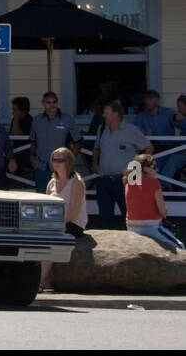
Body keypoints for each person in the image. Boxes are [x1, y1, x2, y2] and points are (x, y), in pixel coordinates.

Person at [91, 100, 151, 229]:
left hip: (126, 181)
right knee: (104, 218)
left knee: (130, 217)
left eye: (106, 113)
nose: (103, 116)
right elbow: (96, 148)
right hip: (104, 180)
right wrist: (94, 164)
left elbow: (148, 148)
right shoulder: (102, 129)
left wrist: (139, 169)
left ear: (116, 114)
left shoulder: (131, 130)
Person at [39, 147, 87, 291]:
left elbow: (75, 210)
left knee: (52, 242)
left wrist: (58, 225)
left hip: (73, 223)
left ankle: (39, 282)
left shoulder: (76, 182)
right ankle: (45, 280)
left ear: (69, 162)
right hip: (53, 223)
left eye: (61, 160)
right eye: (55, 160)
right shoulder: (51, 183)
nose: (57, 163)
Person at [124, 153, 184, 252]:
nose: (157, 169)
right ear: (146, 169)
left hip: (131, 226)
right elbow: (162, 210)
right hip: (150, 226)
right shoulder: (154, 182)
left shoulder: (129, 182)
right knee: (180, 247)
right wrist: (165, 215)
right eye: (154, 167)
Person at [135, 90, 185, 186]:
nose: (147, 101)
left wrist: (181, 119)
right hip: (149, 149)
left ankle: (159, 190)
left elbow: (183, 126)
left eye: (149, 99)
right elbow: (134, 134)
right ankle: (157, 190)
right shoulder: (141, 117)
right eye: (145, 99)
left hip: (168, 149)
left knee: (164, 162)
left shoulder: (168, 113)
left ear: (157, 101)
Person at [30, 92, 76, 192]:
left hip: (61, 168)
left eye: (54, 102)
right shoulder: (36, 120)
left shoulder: (67, 120)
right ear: (43, 103)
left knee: (60, 199)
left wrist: (70, 161)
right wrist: (32, 158)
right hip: (41, 167)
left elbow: (78, 142)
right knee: (41, 199)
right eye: (48, 102)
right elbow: (33, 141)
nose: (52, 105)